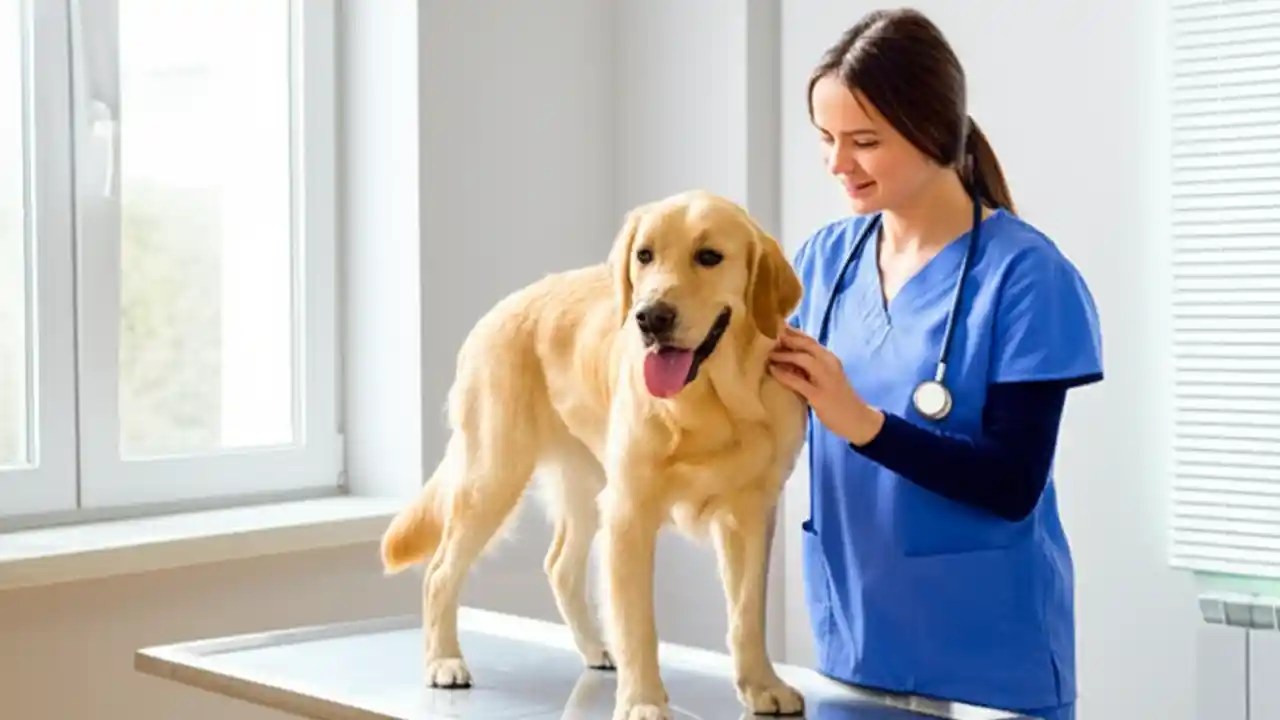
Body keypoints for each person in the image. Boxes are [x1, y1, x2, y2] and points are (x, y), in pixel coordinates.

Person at [767, 9, 1102, 720]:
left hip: (989, 670)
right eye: (826, 140)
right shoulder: (826, 261)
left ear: (933, 133)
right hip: (853, 650)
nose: (837, 164)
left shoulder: (1026, 277)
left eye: (864, 141)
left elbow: (1012, 483)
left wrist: (859, 422)